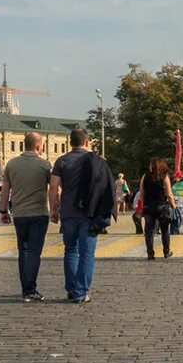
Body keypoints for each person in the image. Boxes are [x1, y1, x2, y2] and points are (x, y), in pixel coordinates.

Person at [50, 128, 115, 303]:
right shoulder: (97, 161)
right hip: (90, 214)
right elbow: (106, 188)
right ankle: (80, 291)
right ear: (87, 142)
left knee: (70, 250)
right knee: (86, 253)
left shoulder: (61, 161)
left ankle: (72, 289)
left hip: (68, 213)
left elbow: (54, 187)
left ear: (70, 142)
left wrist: (53, 210)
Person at [1, 132, 54, 301]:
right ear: (38, 146)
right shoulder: (45, 165)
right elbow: (53, 189)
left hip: (20, 214)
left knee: (23, 251)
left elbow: (5, 190)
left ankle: (26, 289)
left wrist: (3, 211)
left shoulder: (12, 164)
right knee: (33, 252)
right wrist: (55, 209)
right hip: (39, 214)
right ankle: (30, 289)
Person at [138, 157, 176, 260]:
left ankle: (150, 254)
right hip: (161, 207)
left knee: (149, 231)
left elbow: (141, 193)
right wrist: (173, 205)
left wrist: (143, 204)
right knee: (164, 230)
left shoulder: (145, 176)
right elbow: (168, 193)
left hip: (148, 208)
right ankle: (166, 252)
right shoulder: (165, 177)